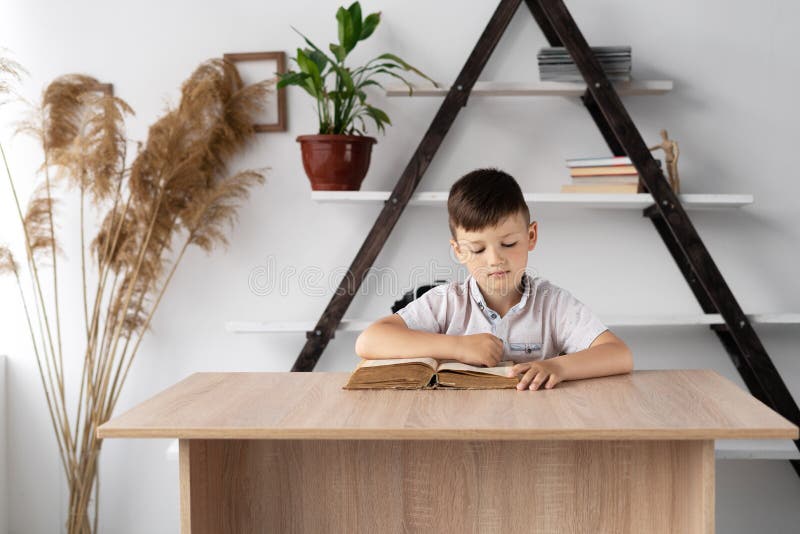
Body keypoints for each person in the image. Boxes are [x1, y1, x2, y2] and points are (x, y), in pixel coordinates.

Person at [354, 168, 633, 391]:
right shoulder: (446, 302)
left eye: (509, 244)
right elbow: (369, 341)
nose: (494, 260)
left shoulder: (553, 303)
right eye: (477, 249)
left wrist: (558, 367)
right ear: (459, 251)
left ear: (531, 236)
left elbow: (619, 354)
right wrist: (457, 347)